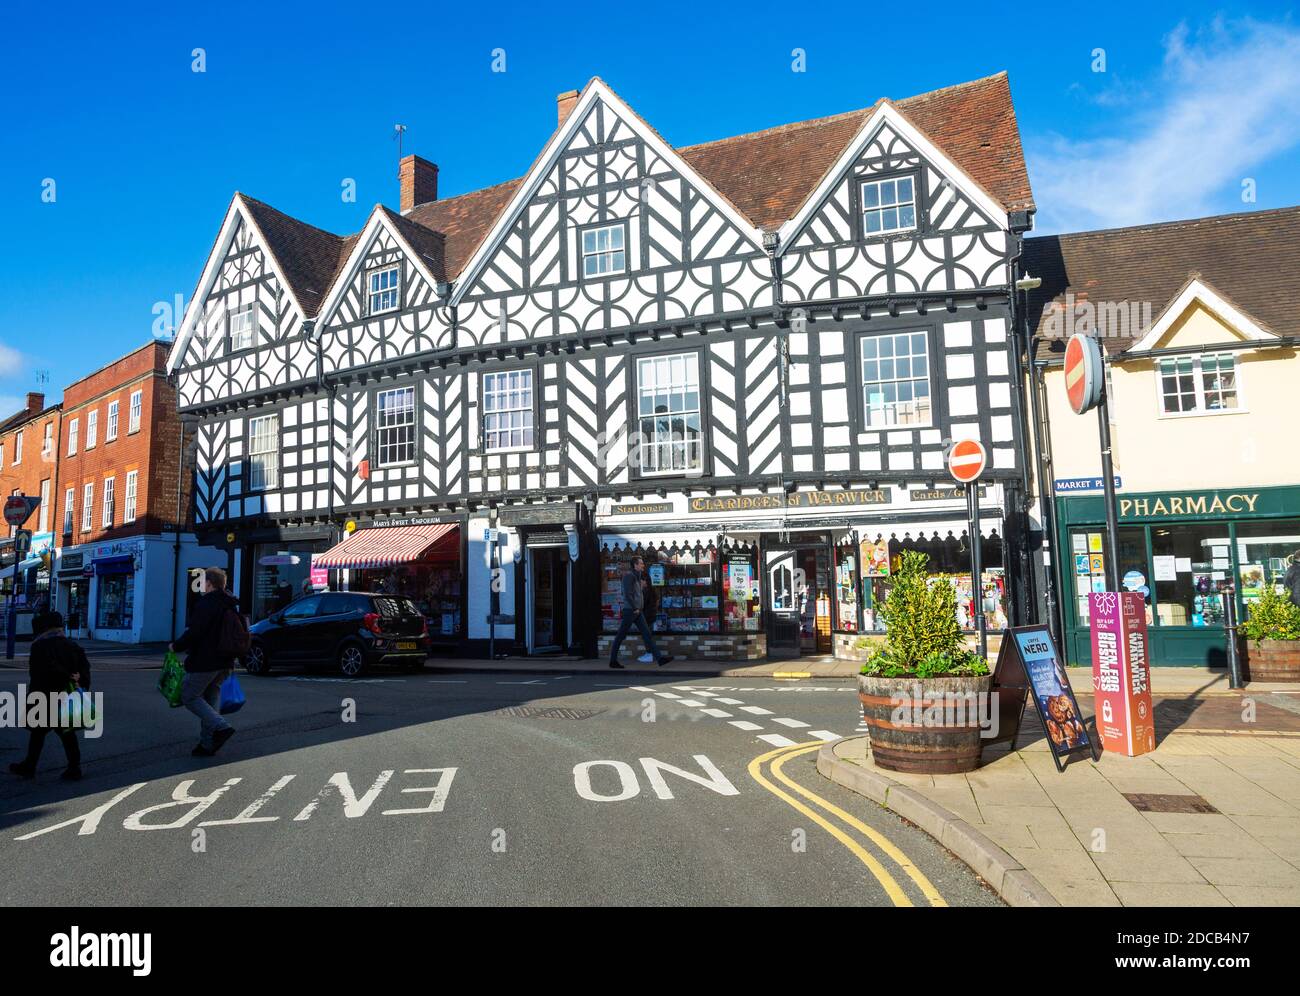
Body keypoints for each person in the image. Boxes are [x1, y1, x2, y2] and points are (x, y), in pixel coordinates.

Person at [8, 611, 90, 781]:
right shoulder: (72, 646)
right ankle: (74, 768)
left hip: (45, 695)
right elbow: (84, 673)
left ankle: (30, 766)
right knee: (66, 733)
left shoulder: (39, 646)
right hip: (67, 695)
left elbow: (37, 674)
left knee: (38, 733)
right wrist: (77, 682)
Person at [170, 567, 239, 757]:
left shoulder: (207, 604)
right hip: (225, 660)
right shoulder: (230, 603)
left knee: (189, 696)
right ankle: (207, 744)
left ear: (209, 583)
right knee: (210, 696)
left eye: (203, 582)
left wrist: (176, 646)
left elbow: (195, 632)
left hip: (206, 659)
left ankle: (221, 727)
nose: (202, 586)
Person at [609, 556, 673, 669]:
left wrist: (638, 608)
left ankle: (660, 659)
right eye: (641, 563)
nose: (643, 565)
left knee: (647, 635)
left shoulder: (637, 577)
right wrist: (635, 608)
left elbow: (637, 594)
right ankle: (613, 661)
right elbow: (628, 595)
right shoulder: (629, 576)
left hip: (638, 612)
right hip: (631, 611)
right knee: (620, 636)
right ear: (635, 565)